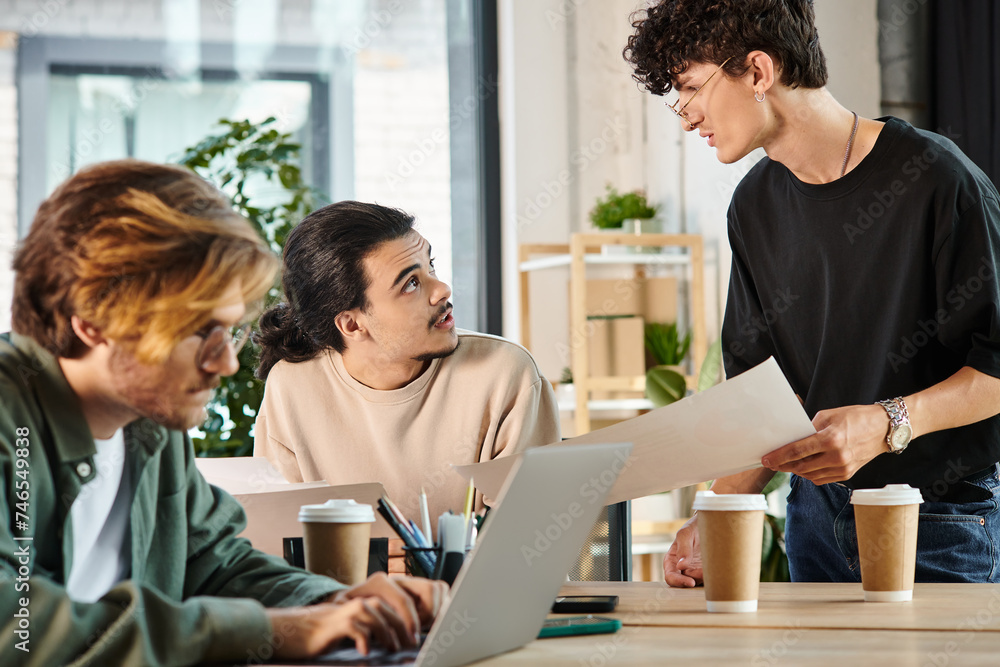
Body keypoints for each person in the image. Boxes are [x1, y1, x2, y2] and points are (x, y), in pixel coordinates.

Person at [0, 160, 447, 666]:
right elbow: (16, 630)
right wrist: (274, 630)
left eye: (229, 331)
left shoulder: (147, 417)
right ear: (96, 322)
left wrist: (333, 603)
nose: (226, 363)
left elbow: (215, 564)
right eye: (199, 333)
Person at [623, 0, 1000, 585]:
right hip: (814, 526)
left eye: (691, 88)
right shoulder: (752, 206)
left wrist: (887, 422)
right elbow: (762, 394)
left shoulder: (937, 179)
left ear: (757, 71)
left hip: (939, 521)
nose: (686, 117)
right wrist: (715, 512)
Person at [253, 201, 560, 563]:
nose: (442, 289)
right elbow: (283, 549)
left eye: (430, 267)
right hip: (354, 610)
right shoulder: (292, 388)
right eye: (411, 284)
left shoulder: (505, 374)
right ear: (352, 324)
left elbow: (528, 549)